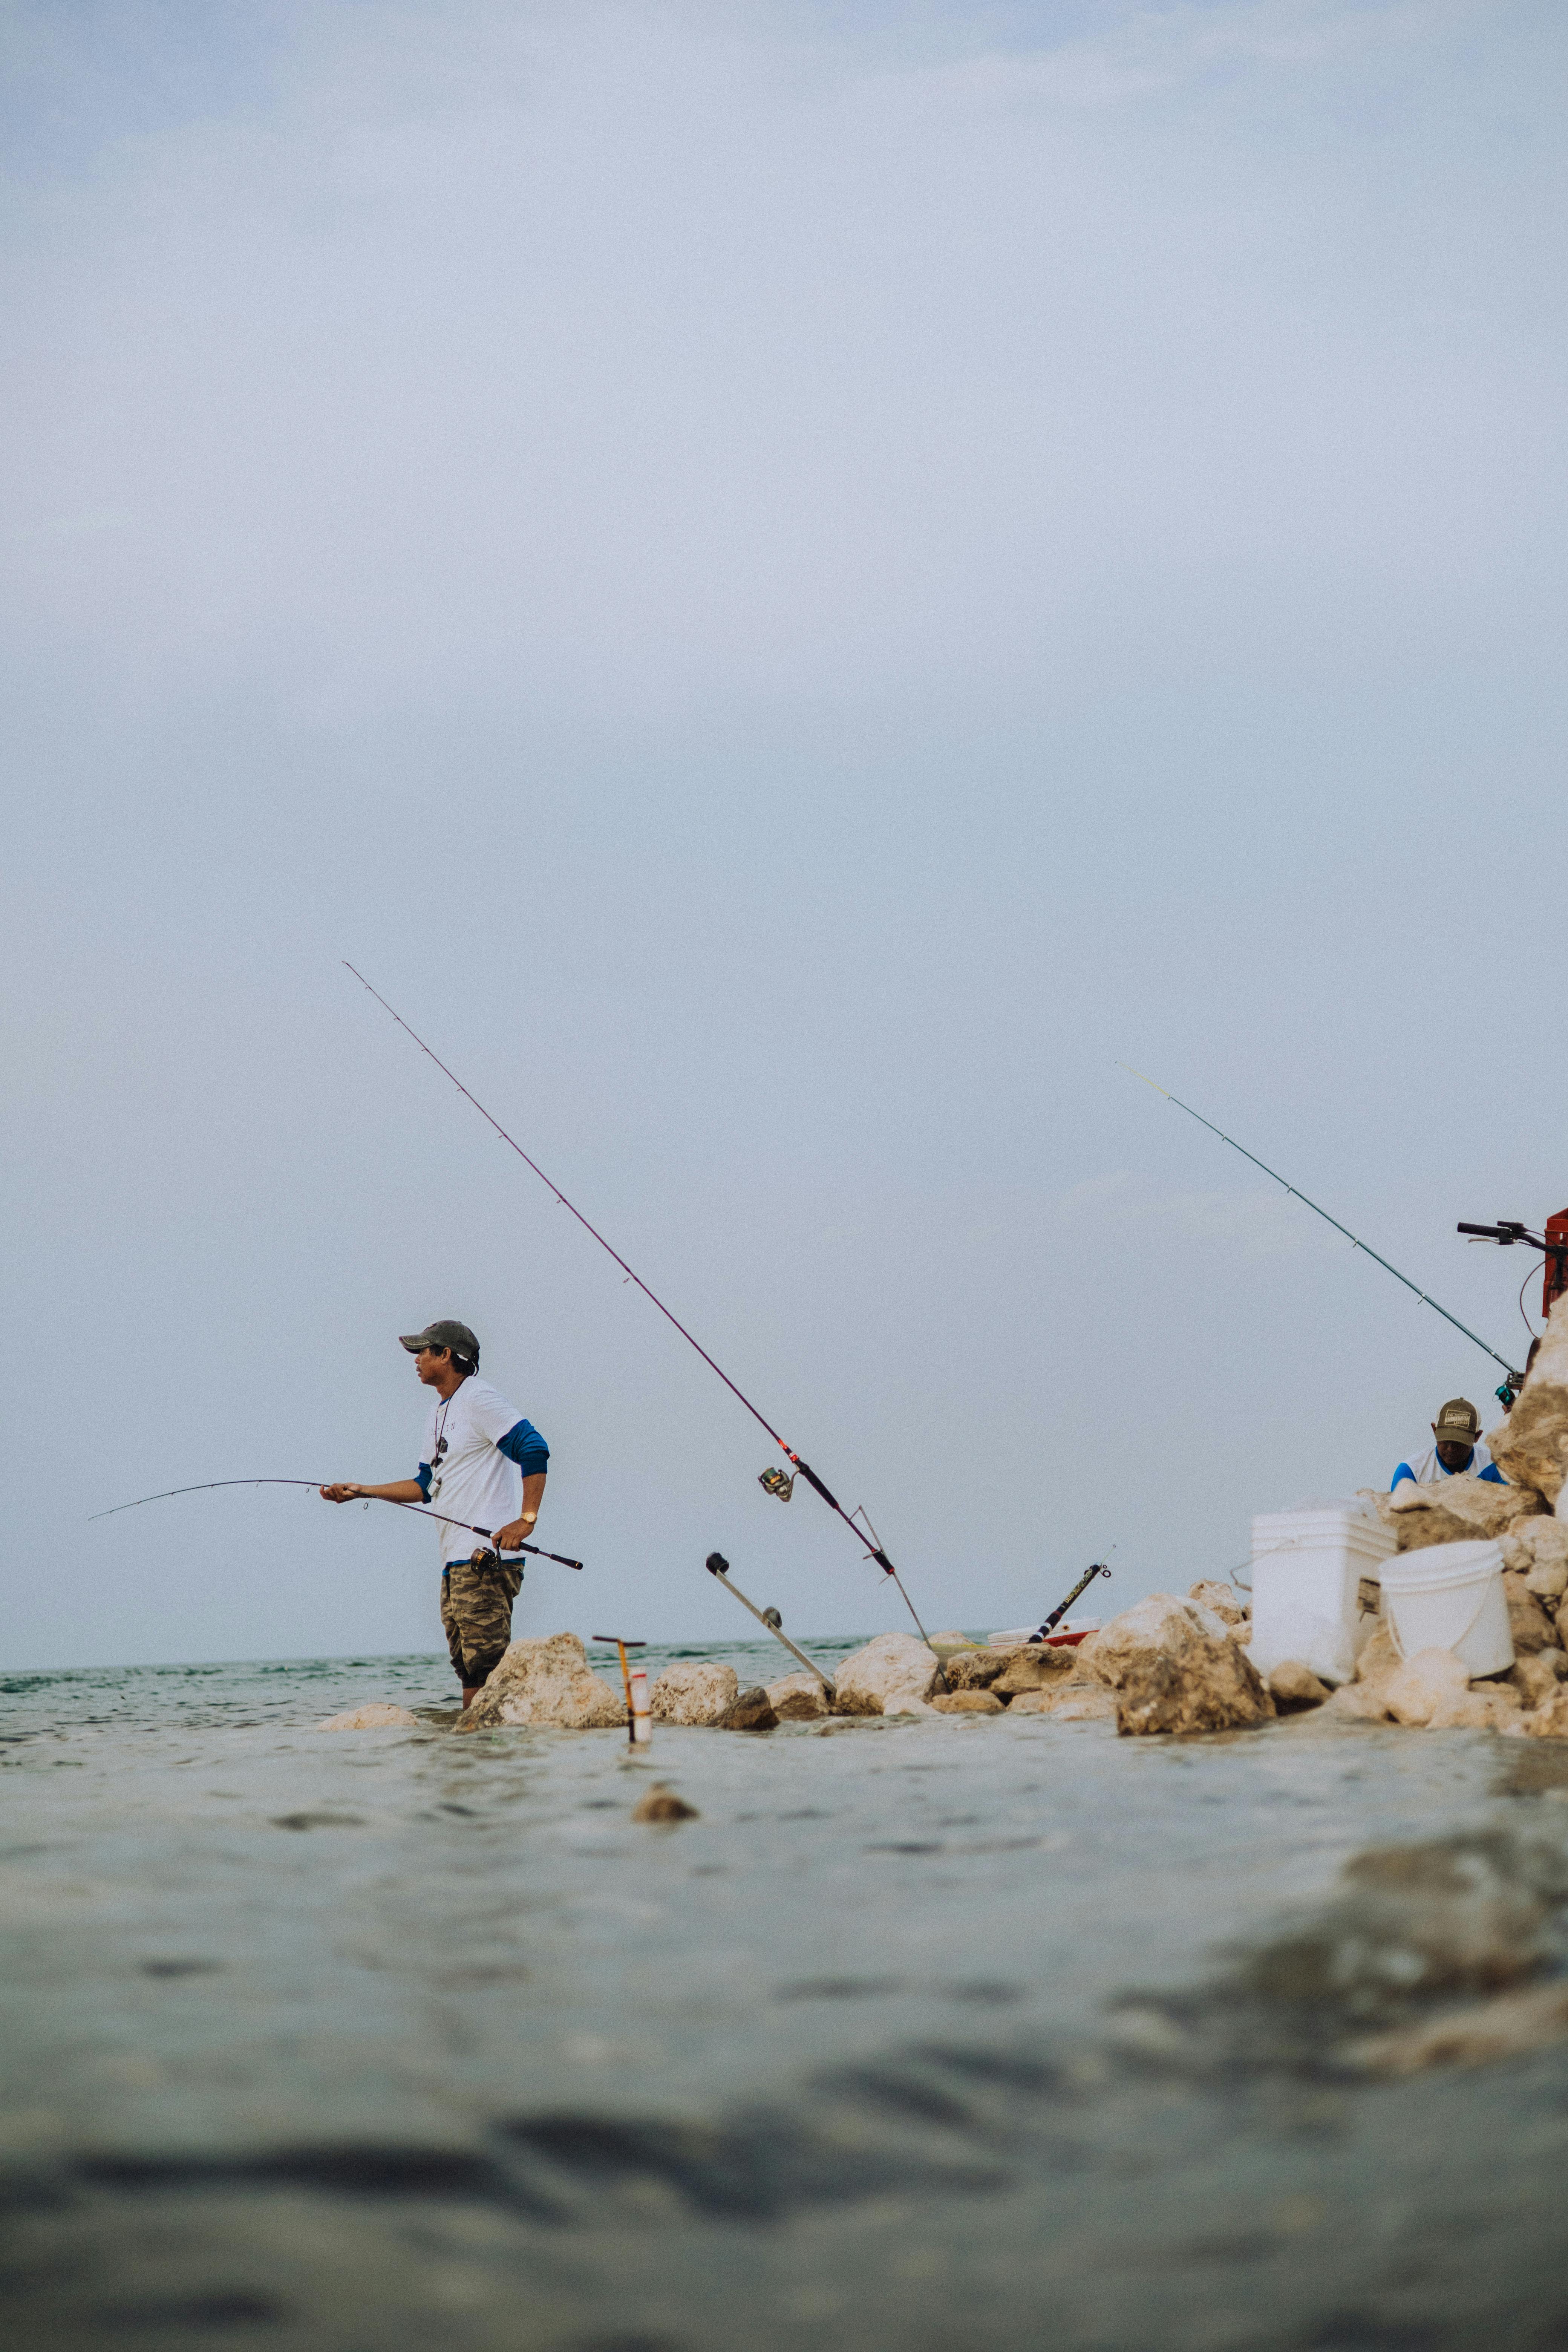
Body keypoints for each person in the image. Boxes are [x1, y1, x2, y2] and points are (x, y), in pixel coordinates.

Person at [320, 1320, 550, 1706]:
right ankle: (475, 1757)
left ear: (446, 1356)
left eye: (422, 1351)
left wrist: (525, 1521)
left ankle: (501, 1753)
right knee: (468, 1667)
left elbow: (534, 1448)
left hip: (485, 1557)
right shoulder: (438, 1411)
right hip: (455, 1561)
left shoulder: (479, 1398)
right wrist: (364, 1491)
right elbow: (425, 1486)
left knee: (487, 1667)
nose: (416, 1359)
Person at [1390, 1396, 1504, 1490]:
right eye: (1445, 1441)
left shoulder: (1495, 1466)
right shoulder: (1412, 1471)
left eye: (1459, 1443)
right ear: (1435, 1430)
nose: (1450, 1449)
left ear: (1477, 1436)